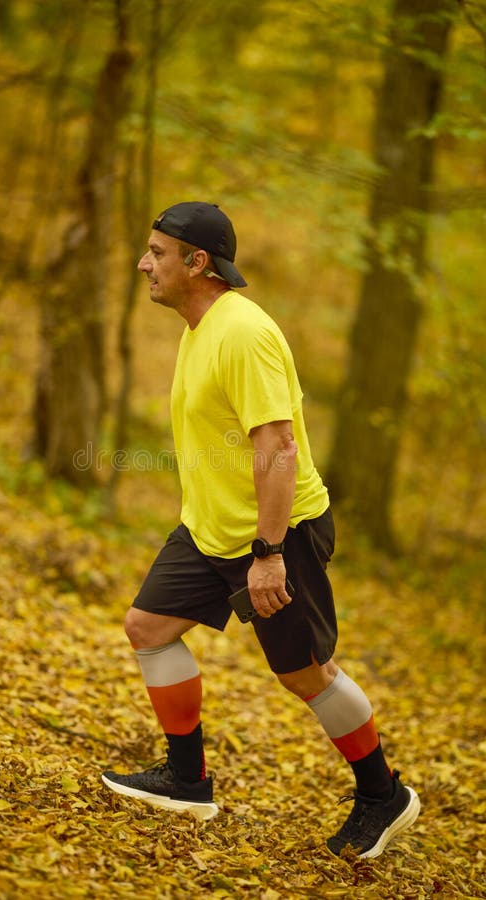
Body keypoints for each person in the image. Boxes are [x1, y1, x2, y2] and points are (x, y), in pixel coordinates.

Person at [101, 201, 420, 858]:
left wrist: (269, 556)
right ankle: (188, 780)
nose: (144, 264)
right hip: (210, 530)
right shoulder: (201, 328)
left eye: (157, 253)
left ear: (199, 263)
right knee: (148, 629)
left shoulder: (244, 334)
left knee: (306, 674)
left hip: (276, 535)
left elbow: (278, 447)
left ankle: (383, 795)